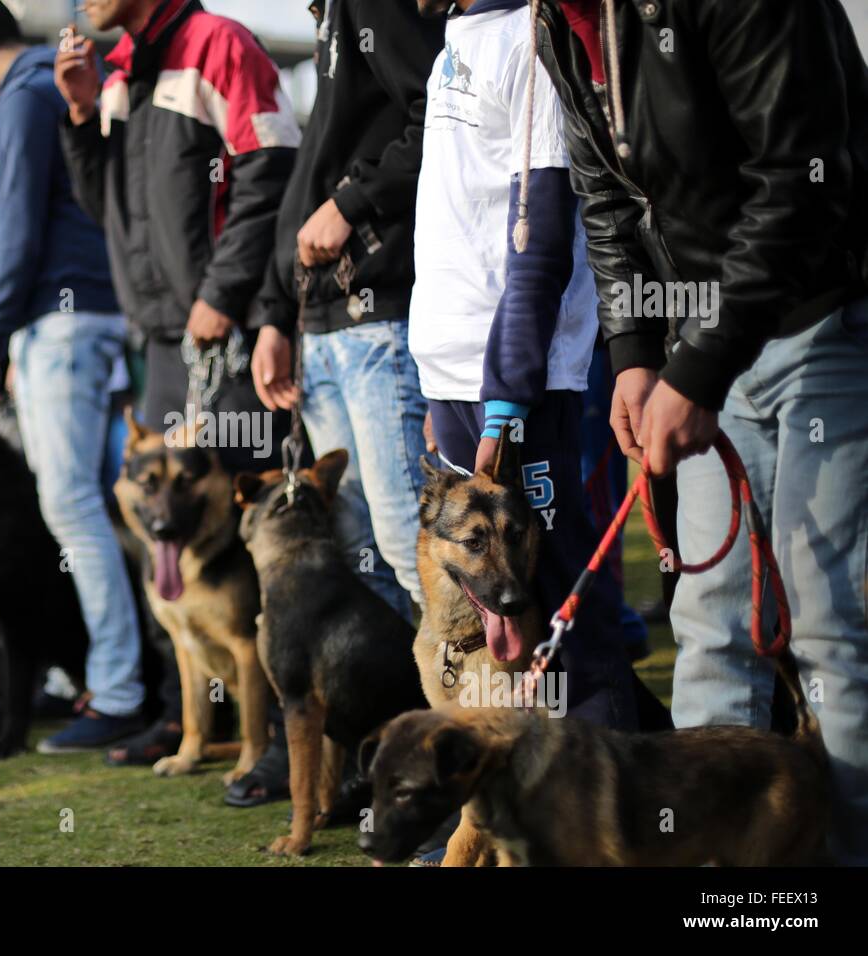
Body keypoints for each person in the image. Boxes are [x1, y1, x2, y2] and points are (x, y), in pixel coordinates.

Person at [533, 0, 868, 862]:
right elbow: (606, 197)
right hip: (705, 341)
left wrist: (698, 367)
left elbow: (802, 178)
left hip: (826, 318)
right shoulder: (556, 21)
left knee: (831, 629)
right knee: (710, 626)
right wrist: (638, 351)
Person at [54, 0, 300, 777]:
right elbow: (108, 210)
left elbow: (273, 168)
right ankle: (185, 716)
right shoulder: (122, 68)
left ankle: (287, 743)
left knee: (259, 541)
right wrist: (83, 111)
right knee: (168, 527)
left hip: (227, 329)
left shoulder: (221, 43)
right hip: (165, 338)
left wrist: (224, 293)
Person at [408, 0, 641, 732]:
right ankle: (508, 813)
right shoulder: (453, 36)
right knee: (487, 619)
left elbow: (538, 241)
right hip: (449, 376)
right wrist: (434, 375)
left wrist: (508, 397)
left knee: (566, 600)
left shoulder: (528, 38)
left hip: (518, 384)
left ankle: (613, 820)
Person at [0, 0, 147, 753]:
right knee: (105, 509)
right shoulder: (43, 84)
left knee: (73, 510)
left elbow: (16, 229)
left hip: (60, 324)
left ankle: (120, 692)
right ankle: (128, 681)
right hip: (92, 316)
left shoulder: (24, 91)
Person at [247, 0, 441, 619]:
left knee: (416, 551)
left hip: (379, 318)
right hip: (325, 322)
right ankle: (406, 718)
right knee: (363, 553)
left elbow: (447, 111)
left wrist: (355, 200)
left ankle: (477, 715)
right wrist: (277, 316)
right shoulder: (332, 13)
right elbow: (308, 187)